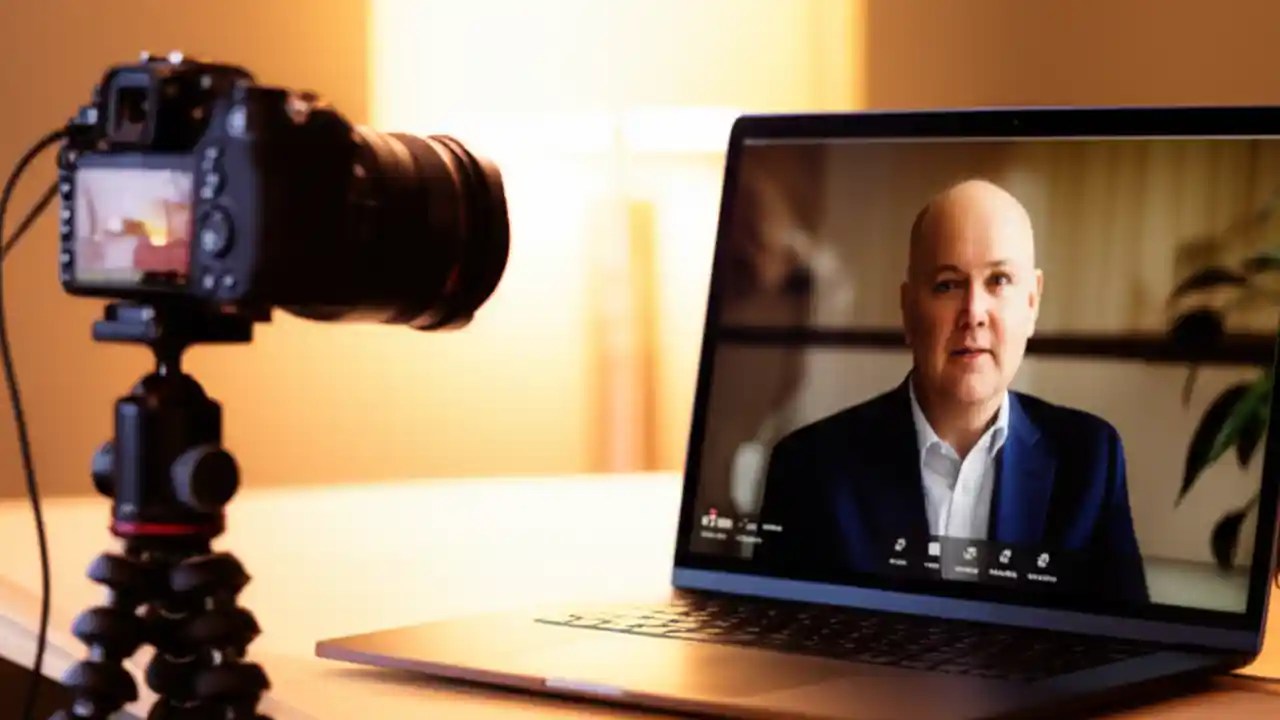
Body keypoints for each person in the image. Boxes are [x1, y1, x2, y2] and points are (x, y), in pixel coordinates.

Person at [755, 178, 1149, 605]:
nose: (973, 313)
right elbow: (775, 654)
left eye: (998, 280)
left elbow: (1126, 639)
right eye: (947, 284)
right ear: (908, 310)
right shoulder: (809, 469)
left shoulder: (1091, 460)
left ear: (1032, 303)